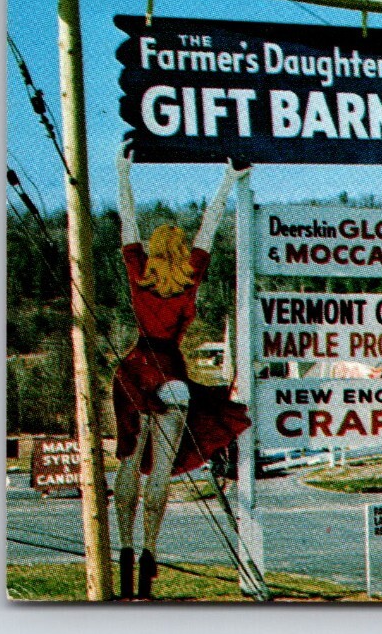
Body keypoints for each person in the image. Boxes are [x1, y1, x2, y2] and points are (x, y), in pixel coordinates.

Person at [113, 144, 251, 600]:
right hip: (171, 375)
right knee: (159, 475)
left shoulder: (140, 274)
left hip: (134, 372)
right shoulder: (188, 277)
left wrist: (123, 171)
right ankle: (151, 550)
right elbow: (209, 227)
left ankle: (126, 551)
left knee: (129, 462)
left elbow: (126, 220)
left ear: (155, 251)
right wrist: (228, 179)